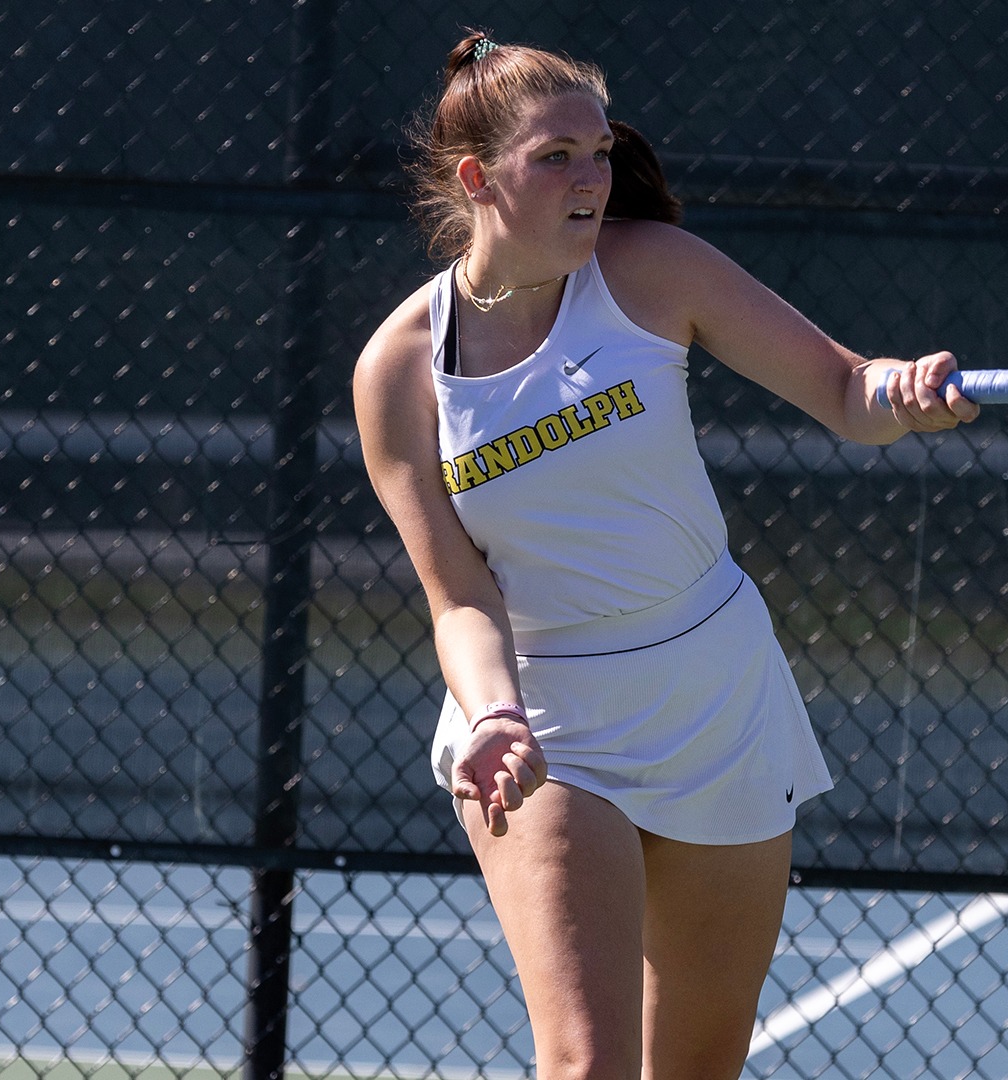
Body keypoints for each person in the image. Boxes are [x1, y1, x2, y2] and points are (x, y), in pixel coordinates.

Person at [352, 29, 976, 1080]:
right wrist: (494, 715)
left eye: (598, 151)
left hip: (715, 701)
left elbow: (843, 390)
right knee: (587, 1064)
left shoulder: (653, 272)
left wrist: (900, 395)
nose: (591, 178)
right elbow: (458, 594)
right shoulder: (402, 370)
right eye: (557, 157)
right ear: (477, 178)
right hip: (545, 719)